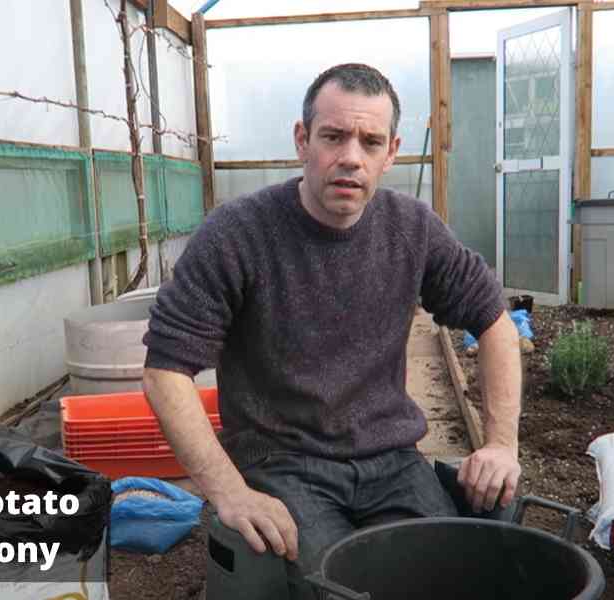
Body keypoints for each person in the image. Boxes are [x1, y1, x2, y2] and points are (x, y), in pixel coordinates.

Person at [141, 62, 522, 593]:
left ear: (391, 152)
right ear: (303, 140)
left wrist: (502, 444)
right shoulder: (237, 234)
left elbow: (495, 322)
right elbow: (166, 372)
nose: (350, 158)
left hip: (393, 462)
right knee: (338, 586)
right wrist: (229, 490)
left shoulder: (412, 228)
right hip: (282, 463)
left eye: (370, 142)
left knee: (446, 574)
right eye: (334, 136)